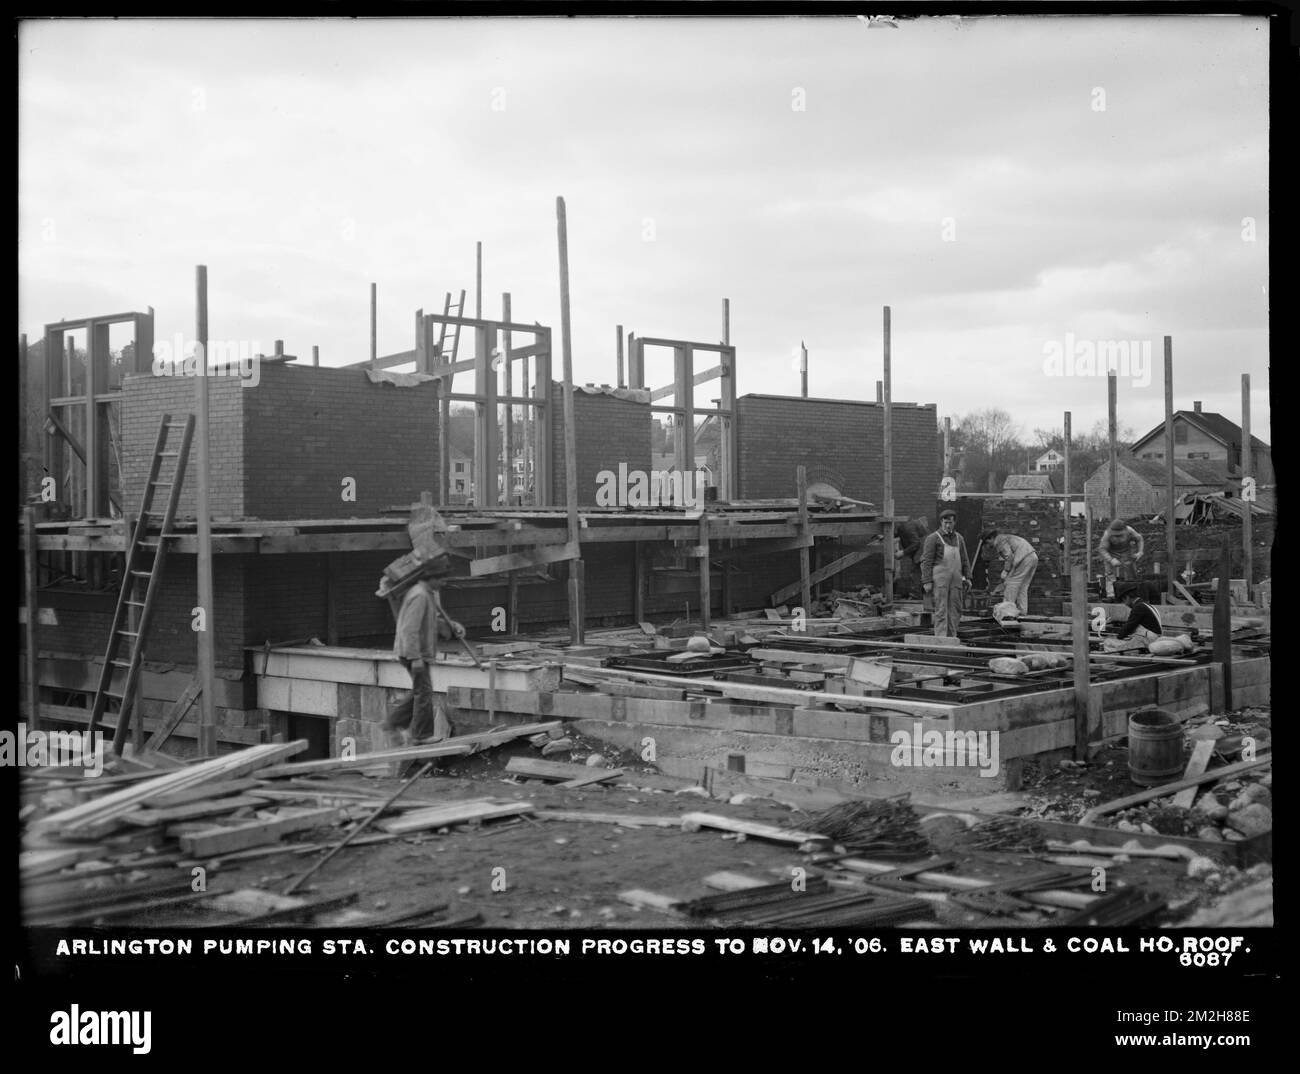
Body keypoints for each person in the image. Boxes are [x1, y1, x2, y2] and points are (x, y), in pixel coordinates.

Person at [385, 570, 466, 745]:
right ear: (432, 578)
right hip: (413, 653)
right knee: (424, 693)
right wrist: (415, 658)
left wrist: (452, 627)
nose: (444, 583)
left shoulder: (427, 594)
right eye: (442, 579)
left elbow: (431, 621)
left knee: (420, 690)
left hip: (416, 652)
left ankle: (393, 722)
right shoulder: (420, 596)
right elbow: (410, 629)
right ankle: (420, 735)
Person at [920, 509, 972, 638]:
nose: (948, 525)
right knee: (941, 609)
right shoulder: (933, 538)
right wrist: (927, 581)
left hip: (956, 579)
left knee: (955, 609)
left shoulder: (959, 538)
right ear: (941, 522)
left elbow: (964, 558)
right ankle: (941, 639)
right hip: (940, 580)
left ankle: (952, 637)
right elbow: (926, 561)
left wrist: (968, 577)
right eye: (945, 522)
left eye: (950, 522)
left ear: (954, 522)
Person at [980, 527, 1039, 617]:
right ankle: (1022, 612)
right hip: (1032, 556)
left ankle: (1006, 614)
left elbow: (1009, 557)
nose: (987, 546)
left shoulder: (1000, 541)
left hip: (1023, 557)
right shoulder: (1005, 538)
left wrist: (1005, 571)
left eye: (987, 543)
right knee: (1022, 587)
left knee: (1011, 584)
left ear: (991, 538)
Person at [1097, 519, 1144, 599]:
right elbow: (1102, 549)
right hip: (1111, 553)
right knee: (1109, 574)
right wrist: (1111, 559)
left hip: (1126, 552)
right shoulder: (1107, 534)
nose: (1117, 537)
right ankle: (1112, 595)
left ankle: (1130, 593)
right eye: (1115, 535)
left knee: (1130, 573)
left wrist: (1140, 551)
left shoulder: (1130, 531)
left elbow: (1139, 539)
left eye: (1120, 535)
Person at [1112, 580, 1163, 647]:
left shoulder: (1138, 608)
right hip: (1153, 638)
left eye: (1123, 601)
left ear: (1127, 597)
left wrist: (1117, 637)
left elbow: (1129, 627)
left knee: (1110, 644)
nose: (1124, 604)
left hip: (1150, 640)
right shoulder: (1145, 604)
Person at [895, 515, 929, 598]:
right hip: (922, 546)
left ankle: (916, 595)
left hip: (923, 546)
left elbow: (916, 543)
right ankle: (919, 593)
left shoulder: (907, 528)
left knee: (915, 571)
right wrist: (885, 536)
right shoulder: (902, 528)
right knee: (918, 570)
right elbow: (897, 534)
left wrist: (903, 552)